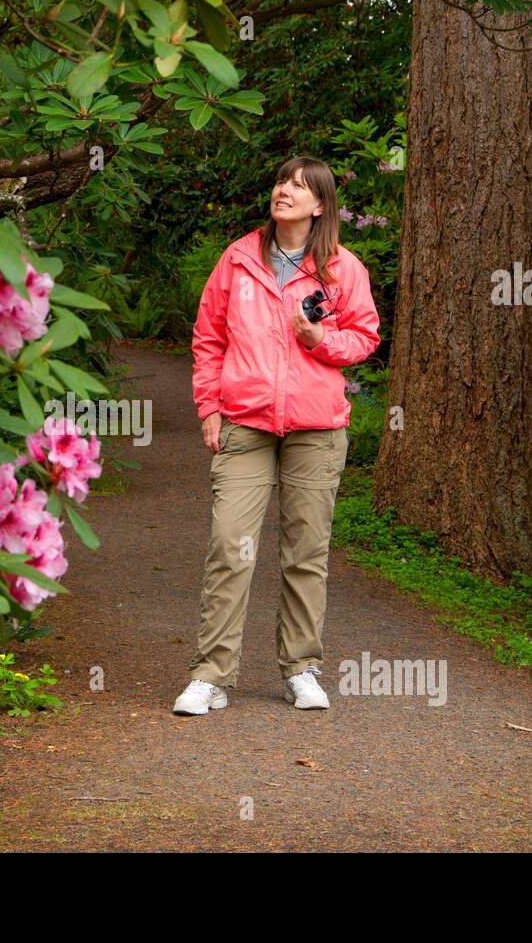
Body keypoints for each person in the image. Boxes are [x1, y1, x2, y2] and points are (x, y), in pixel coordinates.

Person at [173, 156, 382, 716]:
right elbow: (208, 339)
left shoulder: (343, 268)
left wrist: (318, 338)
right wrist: (209, 408)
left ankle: (302, 669)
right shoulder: (238, 259)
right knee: (229, 546)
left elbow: (364, 339)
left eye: (299, 186)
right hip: (245, 421)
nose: (284, 191)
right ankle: (211, 676)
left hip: (317, 427)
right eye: (281, 182)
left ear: (320, 205)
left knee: (305, 551)